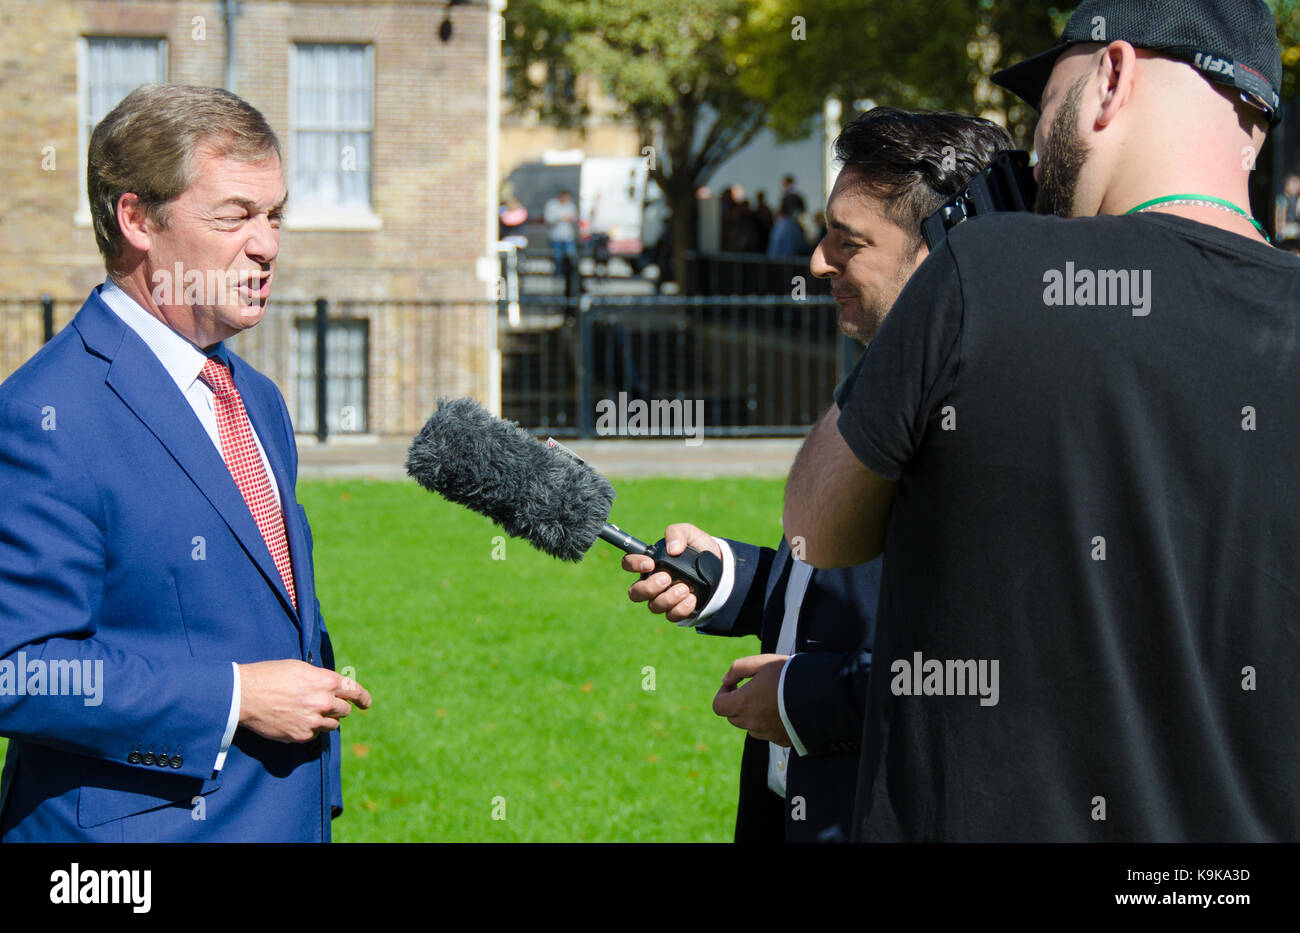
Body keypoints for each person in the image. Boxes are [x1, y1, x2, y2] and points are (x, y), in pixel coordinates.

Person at [784, 0, 1300, 842]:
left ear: (1113, 74)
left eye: (1045, 96)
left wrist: (937, 296)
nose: (1032, 139)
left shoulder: (986, 270)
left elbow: (817, 527)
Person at [623, 107, 1013, 842]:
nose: (817, 261)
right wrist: (730, 575)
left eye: (850, 240)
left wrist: (807, 698)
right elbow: (843, 590)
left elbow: (999, 675)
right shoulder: (884, 383)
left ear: (940, 255)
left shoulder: (995, 425)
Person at [0, 84, 371, 842]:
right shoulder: (48, 413)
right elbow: (18, 668)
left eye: (275, 216)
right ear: (137, 219)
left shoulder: (256, 398)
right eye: (235, 215)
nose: (267, 244)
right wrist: (233, 697)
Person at [544, 189, 579, 276]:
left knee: (571, 257)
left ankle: (570, 276)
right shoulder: (552, 205)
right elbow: (549, 219)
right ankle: (558, 276)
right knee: (557, 258)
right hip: (556, 236)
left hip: (568, 236)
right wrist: (561, 218)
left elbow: (574, 218)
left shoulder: (570, 206)